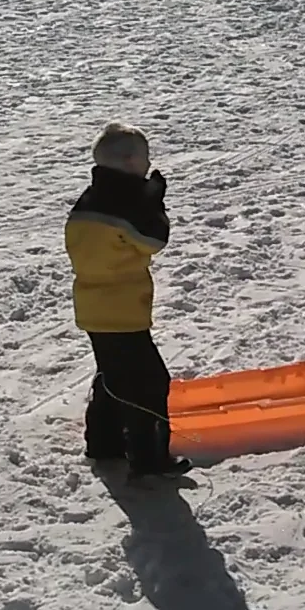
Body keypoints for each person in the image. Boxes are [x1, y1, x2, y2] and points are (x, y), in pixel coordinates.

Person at [66, 122, 193, 478]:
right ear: (130, 162)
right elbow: (154, 239)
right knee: (148, 383)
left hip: (93, 308)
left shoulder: (90, 199)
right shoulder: (125, 203)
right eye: (145, 160)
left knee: (113, 376)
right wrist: (153, 201)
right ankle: (149, 458)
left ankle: (104, 444)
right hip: (122, 310)